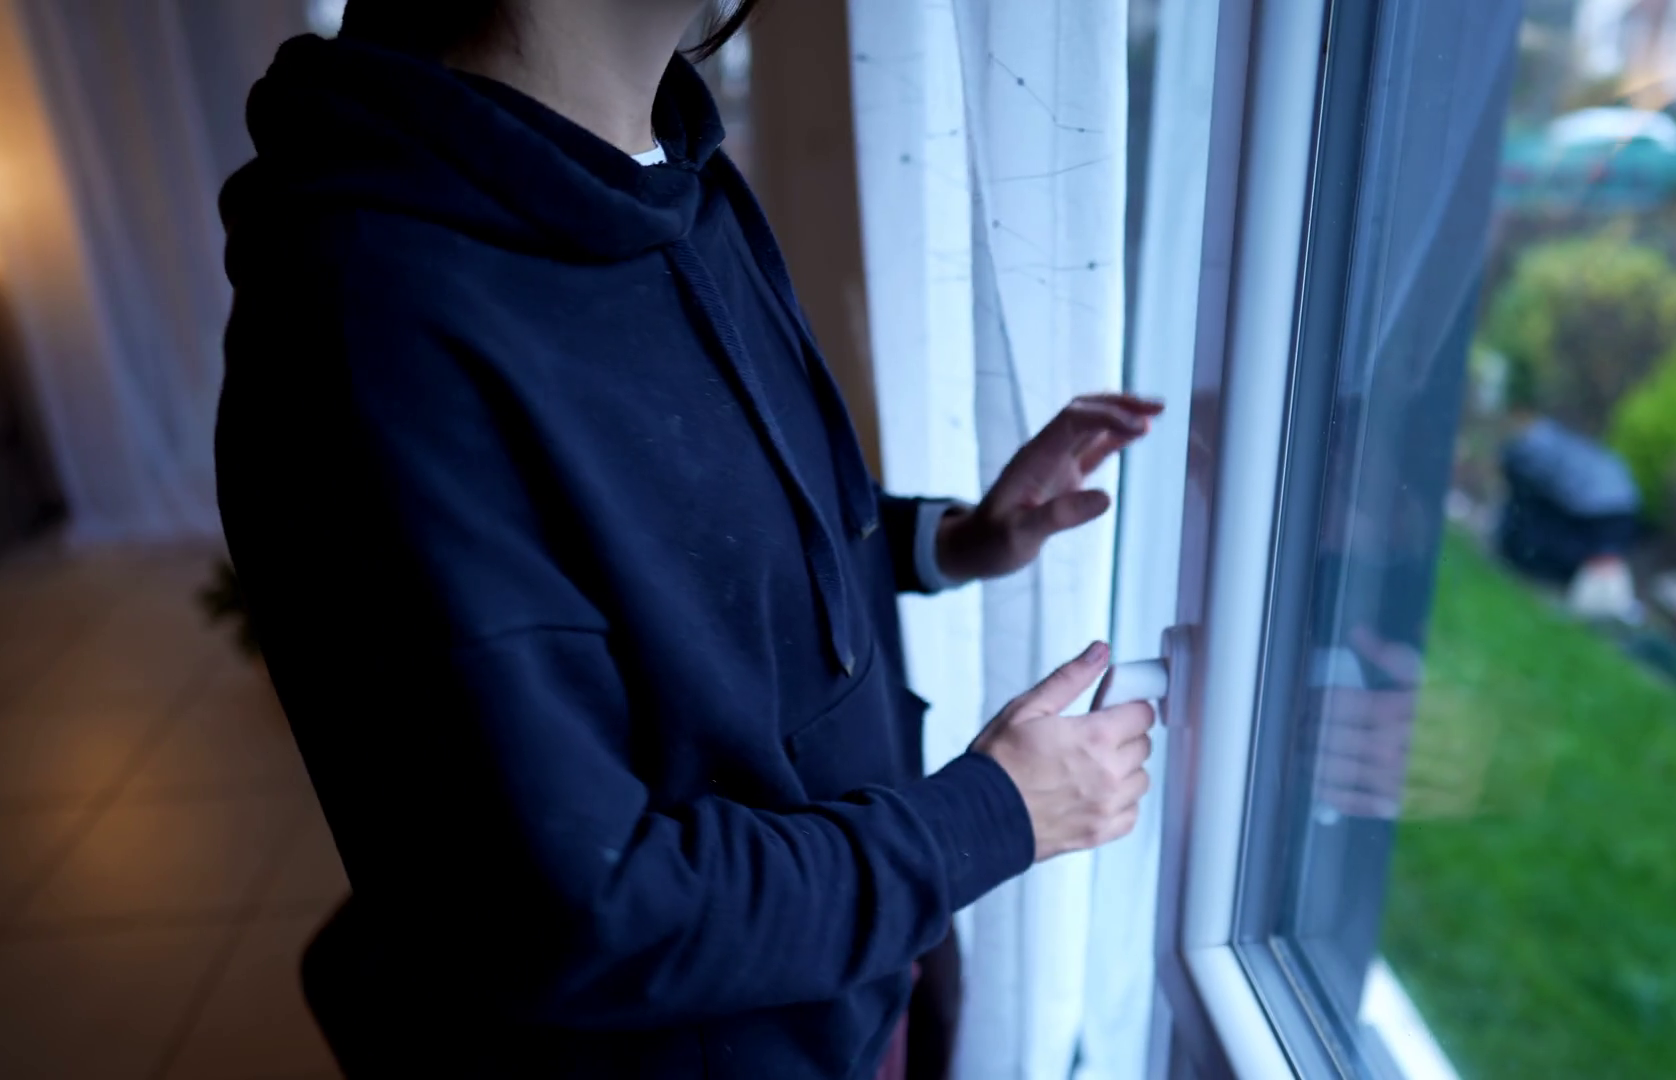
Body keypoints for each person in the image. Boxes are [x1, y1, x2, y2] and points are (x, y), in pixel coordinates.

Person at [214, 1, 1161, 1076]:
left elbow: (680, 558)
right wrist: (984, 821)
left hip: (841, 986)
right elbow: (577, 908)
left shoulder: (668, 166)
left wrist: (944, 541)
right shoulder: (369, 330)